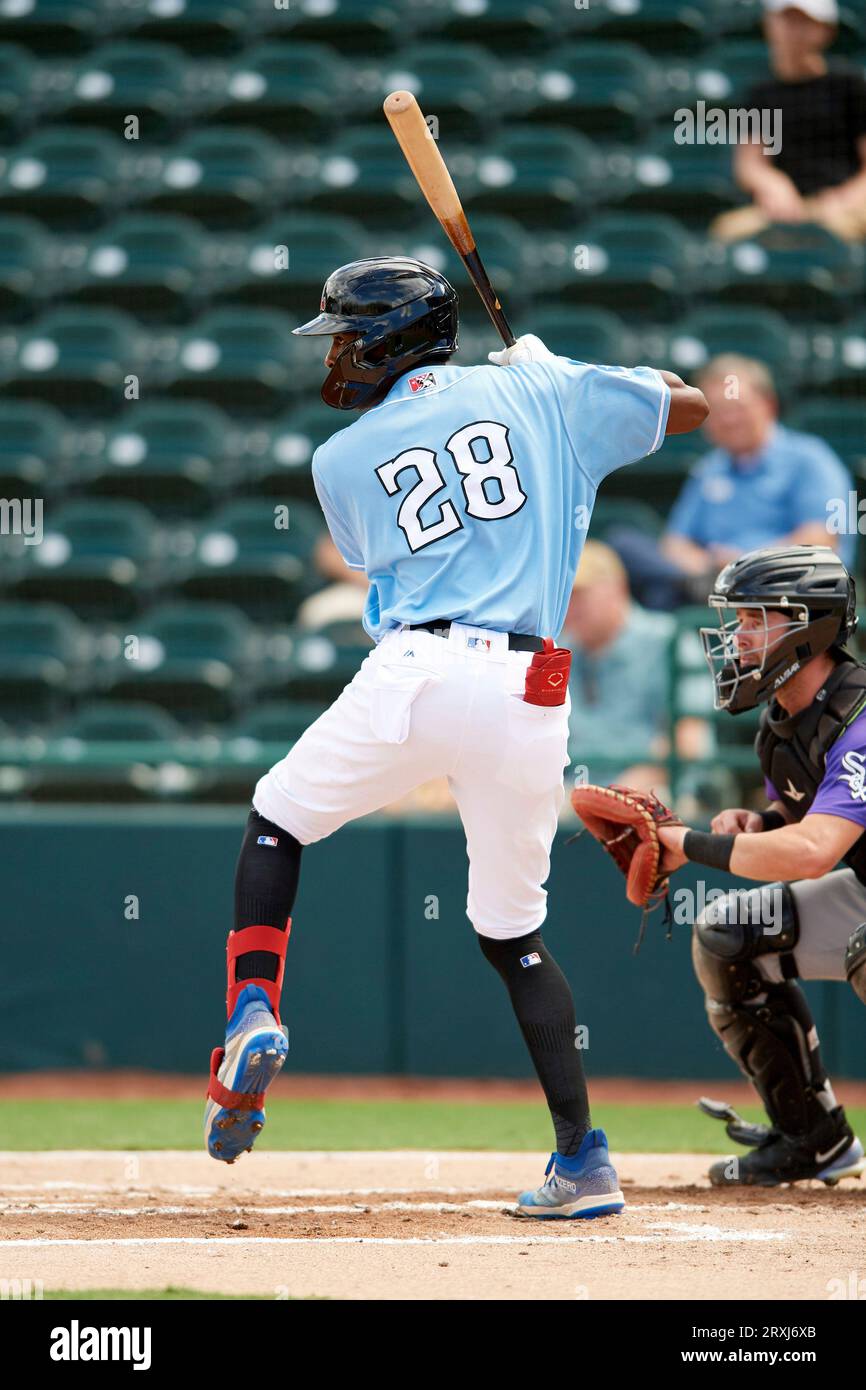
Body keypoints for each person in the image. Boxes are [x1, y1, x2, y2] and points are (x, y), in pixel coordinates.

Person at [202, 255, 708, 1219]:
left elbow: (388, 544)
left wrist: (535, 385)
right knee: (512, 931)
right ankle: (584, 1160)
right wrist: (563, 373)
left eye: (350, 334)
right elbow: (688, 406)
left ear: (392, 340)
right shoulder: (541, 386)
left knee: (276, 819)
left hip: (421, 669)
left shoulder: (338, 460)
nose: (339, 353)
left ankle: (253, 1007)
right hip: (532, 687)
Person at [657, 544, 866, 1186]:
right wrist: (762, 823)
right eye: (738, 619)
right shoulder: (786, 722)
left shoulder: (858, 720)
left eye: (754, 619)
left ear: (809, 626)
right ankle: (813, 1139)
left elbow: (811, 854)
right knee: (728, 937)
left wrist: (685, 843)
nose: (738, 637)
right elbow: (801, 826)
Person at [610, 354, 854, 609]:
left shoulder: (810, 458)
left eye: (736, 408)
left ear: (768, 405)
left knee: (660, 593)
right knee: (623, 544)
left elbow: (821, 540)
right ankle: (708, 587)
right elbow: (675, 542)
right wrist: (708, 567)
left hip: (782, 586)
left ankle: (710, 588)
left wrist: (741, 563)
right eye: (716, 412)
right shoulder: (710, 468)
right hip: (709, 578)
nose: (728, 420)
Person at [713, 0, 866, 243]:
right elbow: (750, 164)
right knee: (728, 230)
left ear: (826, 30)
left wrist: (843, 200)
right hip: (782, 210)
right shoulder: (759, 93)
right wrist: (773, 184)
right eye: (786, 19)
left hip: (843, 206)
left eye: (805, 21)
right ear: (769, 24)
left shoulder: (850, 86)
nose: (794, 30)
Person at [563, 541, 675, 787]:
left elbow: (688, 741)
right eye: (563, 594)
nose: (569, 605)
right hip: (569, 796)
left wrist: (615, 797)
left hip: (659, 795)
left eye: (579, 593)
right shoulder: (557, 649)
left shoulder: (668, 640)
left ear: (617, 589)